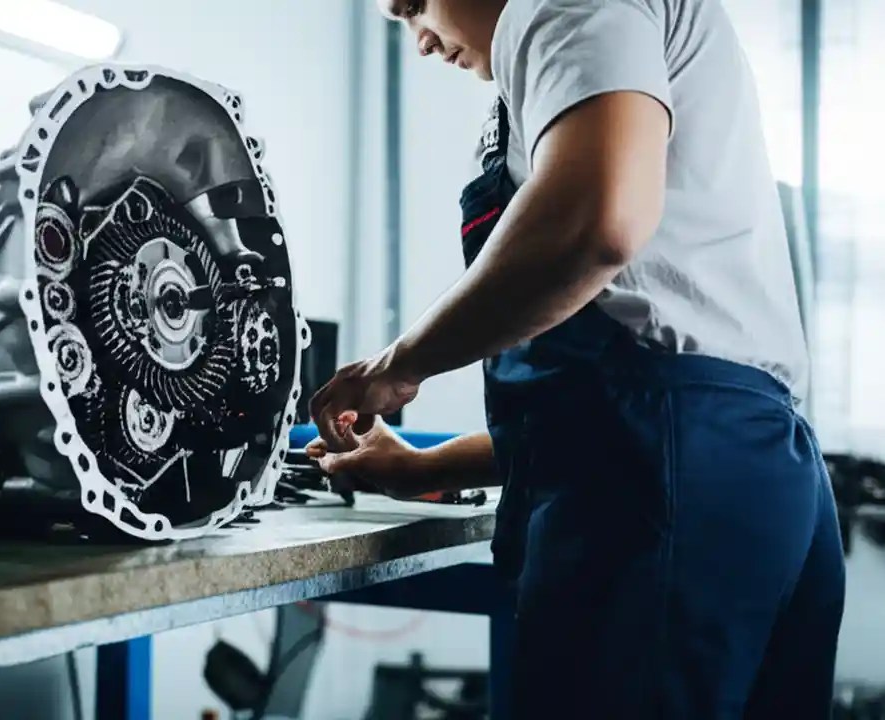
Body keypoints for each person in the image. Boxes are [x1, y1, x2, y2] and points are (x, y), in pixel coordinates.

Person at [307, 0, 846, 717]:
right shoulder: (579, 60)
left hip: (666, 494)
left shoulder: (563, 4)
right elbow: (631, 389)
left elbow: (599, 225)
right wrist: (429, 468)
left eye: (413, 7)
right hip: (740, 478)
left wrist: (399, 366)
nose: (422, 42)